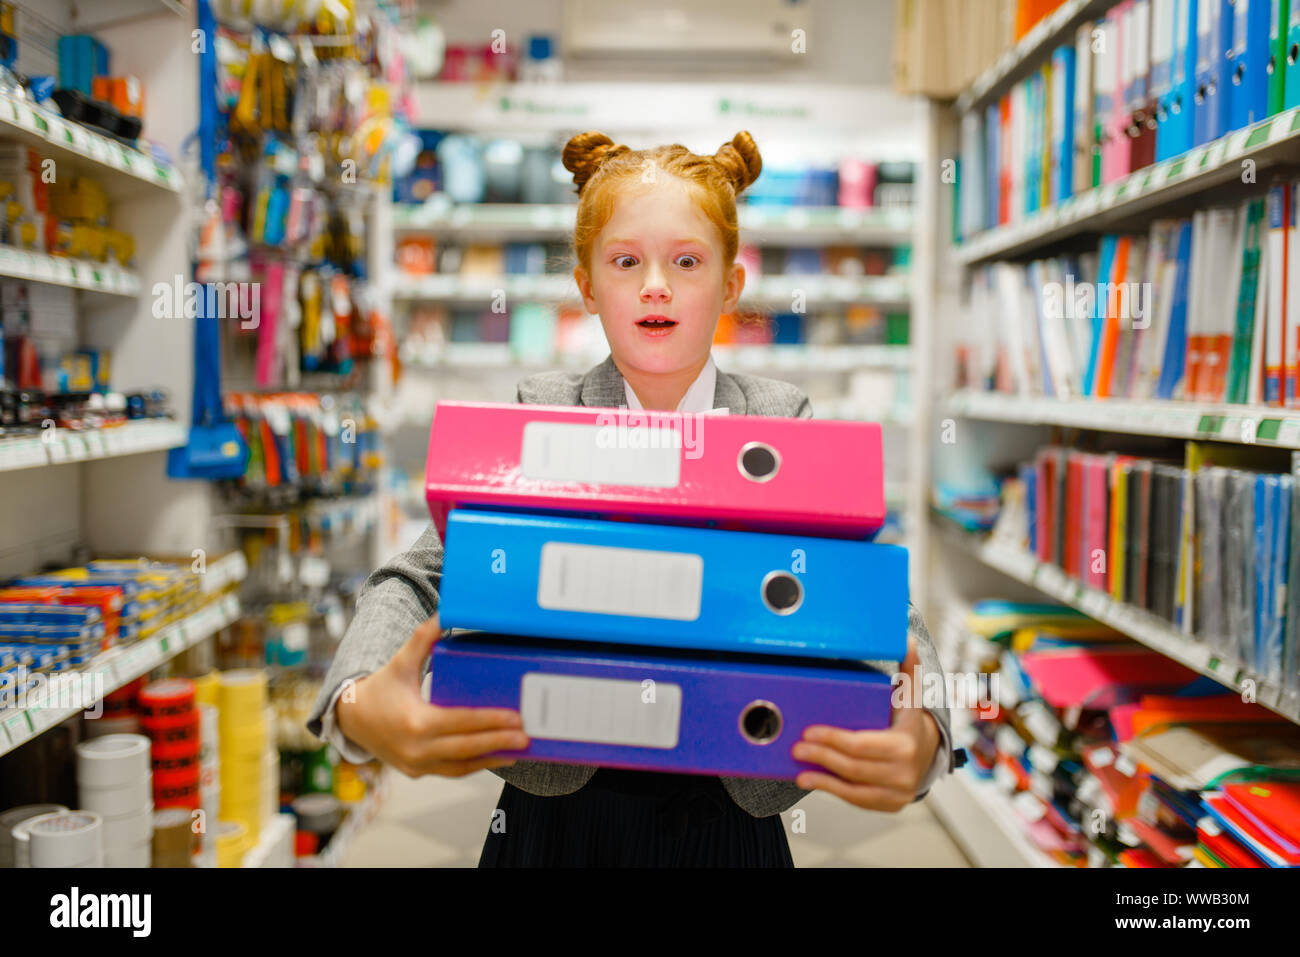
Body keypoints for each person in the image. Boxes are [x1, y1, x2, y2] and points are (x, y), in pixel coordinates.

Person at [306, 129, 956, 867]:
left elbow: (874, 593)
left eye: (687, 260)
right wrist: (358, 698)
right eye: (626, 261)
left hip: (731, 809)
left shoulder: (781, 423)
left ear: (730, 285)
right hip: (556, 814)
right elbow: (422, 574)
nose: (656, 284)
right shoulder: (543, 417)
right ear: (587, 284)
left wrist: (925, 723)